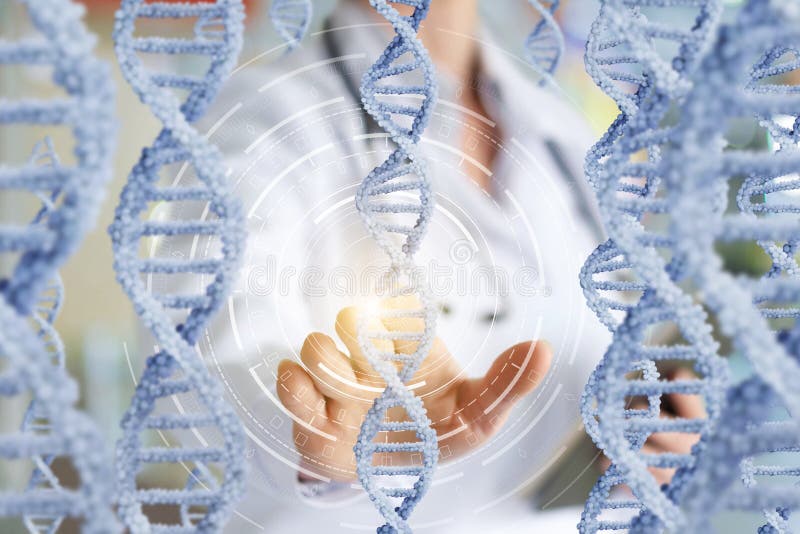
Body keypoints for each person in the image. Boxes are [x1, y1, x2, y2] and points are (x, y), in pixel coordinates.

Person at [178, 0, 701, 531]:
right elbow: (211, 365)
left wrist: (651, 442)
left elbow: (603, 374)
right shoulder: (258, 118)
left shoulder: (563, 132)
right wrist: (318, 441)